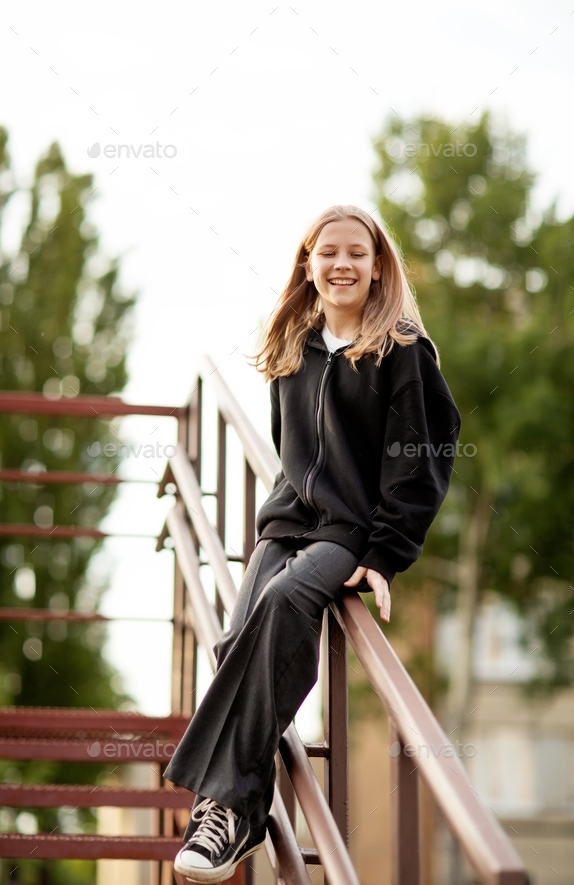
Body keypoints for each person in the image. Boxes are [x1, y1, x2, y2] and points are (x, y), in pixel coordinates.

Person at [166, 204, 461, 883]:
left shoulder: (404, 351)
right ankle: (231, 802)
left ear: (378, 264)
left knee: (288, 598)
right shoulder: (294, 348)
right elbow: (287, 450)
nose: (342, 263)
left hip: (350, 531)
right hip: (287, 522)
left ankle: (228, 809)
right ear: (308, 263)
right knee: (236, 636)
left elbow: (424, 460)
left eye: (358, 252)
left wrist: (386, 554)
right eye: (327, 252)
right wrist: (283, 517)